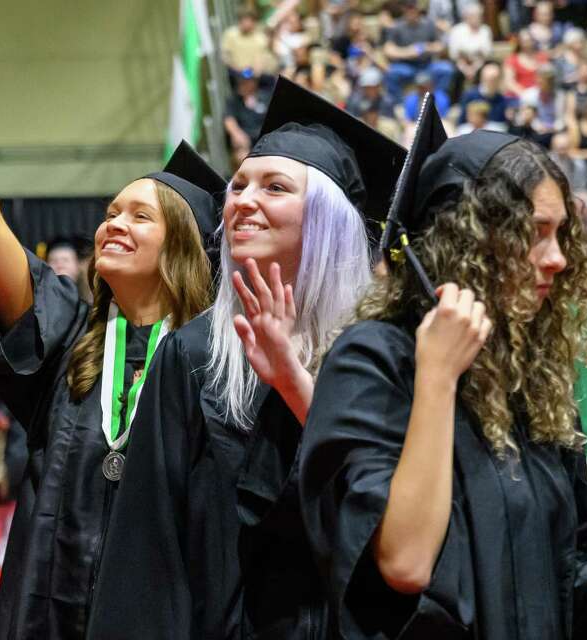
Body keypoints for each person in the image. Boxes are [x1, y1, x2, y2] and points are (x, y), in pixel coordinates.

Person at [0, 13, 220, 639]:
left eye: (140, 216)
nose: (114, 223)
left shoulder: (216, 365)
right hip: (46, 611)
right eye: (110, 212)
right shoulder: (67, 338)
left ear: (183, 248)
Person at [300, 116, 587, 637]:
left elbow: (578, 555)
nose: (557, 259)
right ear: (464, 242)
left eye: (559, 235)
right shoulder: (374, 361)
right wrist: (439, 377)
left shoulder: (528, 377)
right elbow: (404, 564)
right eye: (533, 234)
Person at [88, 76, 405, 639]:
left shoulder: (387, 355)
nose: (243, 201)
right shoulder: (193, 355)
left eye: (275, 186)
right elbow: (150, 551)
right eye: (238, 186)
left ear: (329, 221)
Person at [382, 0, 455, 99]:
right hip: (406, 66)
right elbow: (388, 50)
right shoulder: (397, 26)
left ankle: (438, 100)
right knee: (392, 73)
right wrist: (408, 52)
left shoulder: (428, 24)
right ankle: (397, 104)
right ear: (403, 9)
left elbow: (440, 45)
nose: (410, 11)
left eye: (413, 8)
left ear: (418, 9)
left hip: (427, 65)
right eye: (408, 8)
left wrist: (428, 47)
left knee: (446, 69)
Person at [446, 4, 492, 85]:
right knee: (453, 73)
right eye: (473, 16)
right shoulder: (456, 30)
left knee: (488, 70)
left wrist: (474, 69)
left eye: (479, 16)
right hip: (460, 64)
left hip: (480, 64)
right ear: (466, 17)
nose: (477, 19)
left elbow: (486, 54)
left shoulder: (485, 30)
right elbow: (454, 55)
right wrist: (466, 69)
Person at [457, 61, 509, 129]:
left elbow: (503, 122)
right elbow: (462, 121)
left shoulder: (502, 99)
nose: (492, 82)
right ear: (482, 78)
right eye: (489, 79)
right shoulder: (470, 95)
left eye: (495, 79)